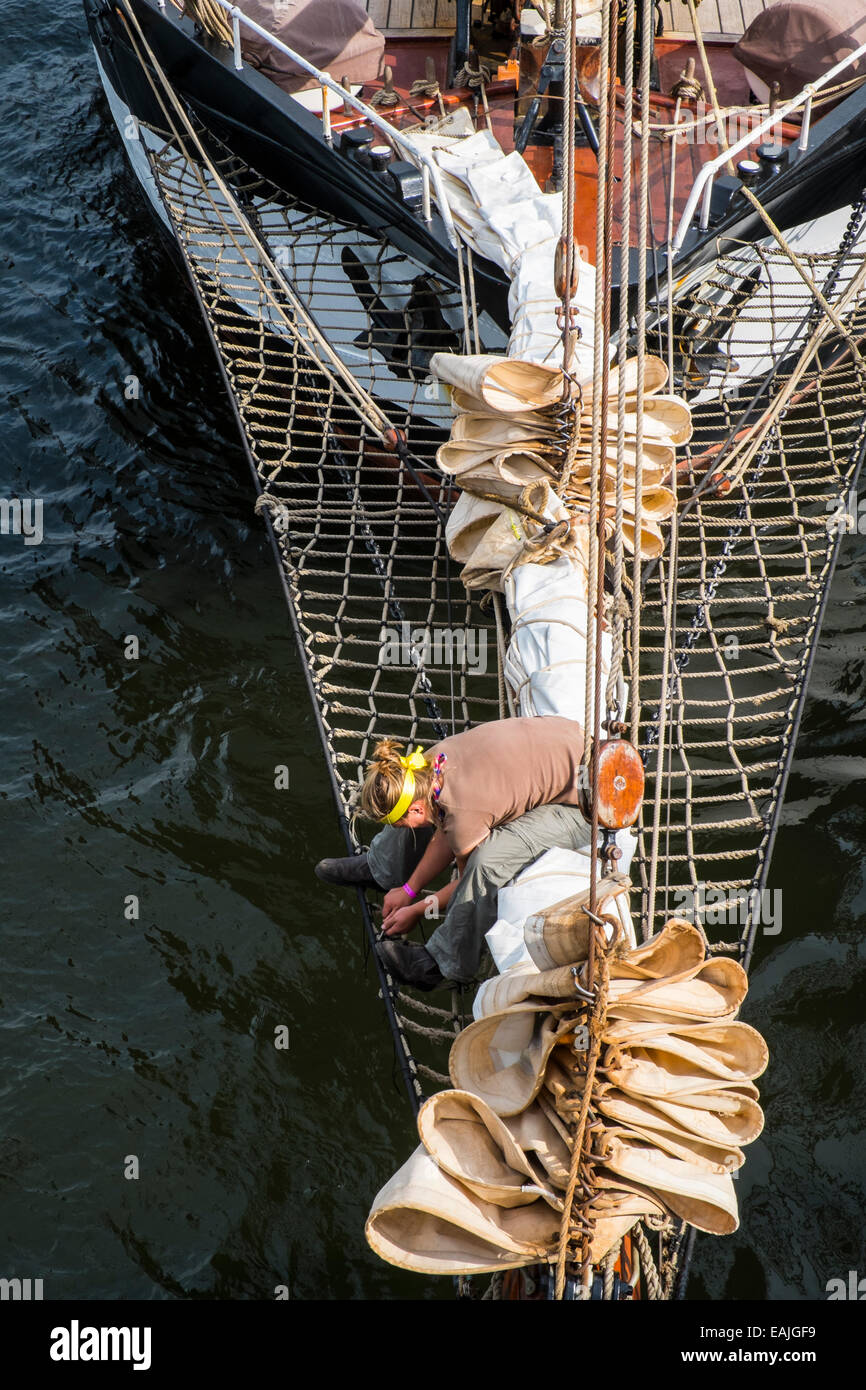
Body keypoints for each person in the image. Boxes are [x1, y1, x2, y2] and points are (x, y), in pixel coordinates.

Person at [315, 715, 593, 991]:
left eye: (399, 822)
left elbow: (466, 880)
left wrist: (416, 910)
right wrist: (410, 889)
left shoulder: (463, 813)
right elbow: (443, 821)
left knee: (487, 864)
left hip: (590, 801)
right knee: (415, 798)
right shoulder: (431, 764)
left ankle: (445, 963)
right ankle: (381, 869)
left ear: (416, 810)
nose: (399, 826)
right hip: (565, 745)